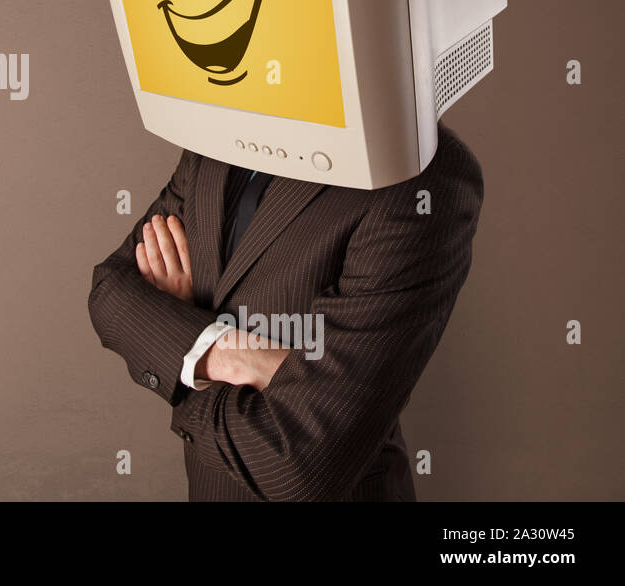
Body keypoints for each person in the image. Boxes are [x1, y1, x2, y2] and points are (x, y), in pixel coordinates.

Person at [87, 122, 483, 501]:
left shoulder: (420, 172)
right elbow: (111, 292)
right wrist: (229, 355)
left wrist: (185, 368)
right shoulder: (212, 134)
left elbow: (300, 464)